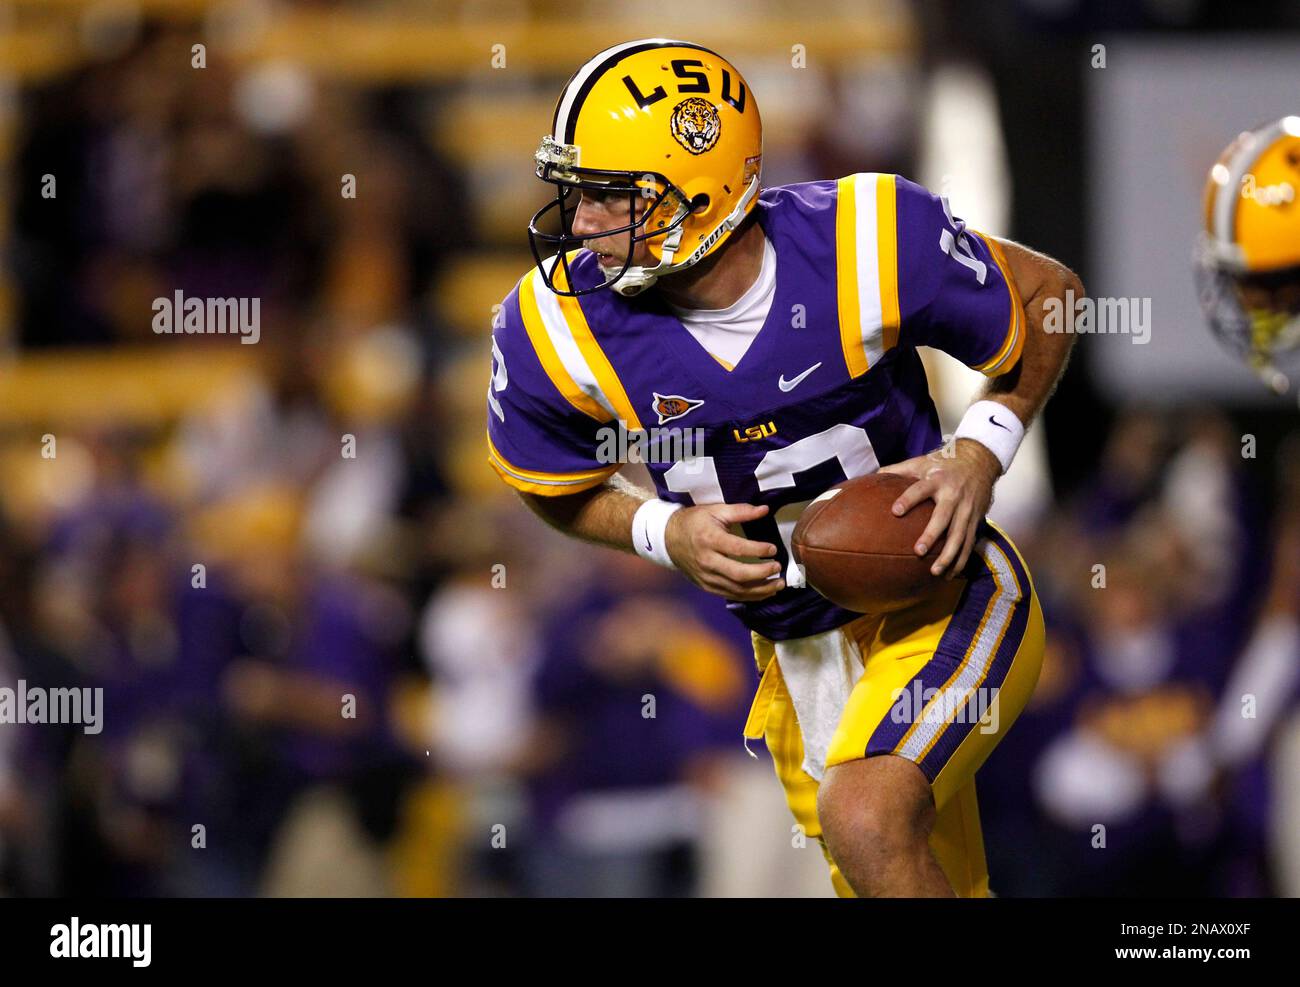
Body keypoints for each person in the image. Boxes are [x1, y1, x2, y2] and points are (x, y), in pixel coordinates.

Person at [486, 40, 1080, 897]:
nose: (580, 223)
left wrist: (981, 451)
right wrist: (662, 529)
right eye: (577, 195)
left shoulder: (863, 239)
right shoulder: (554, 327)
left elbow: (1045, 293)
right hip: (798, 651)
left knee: (867, 814)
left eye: (609, 197)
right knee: (909, 869)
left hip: (944, 596)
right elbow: (549, 482)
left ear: (698, 188)